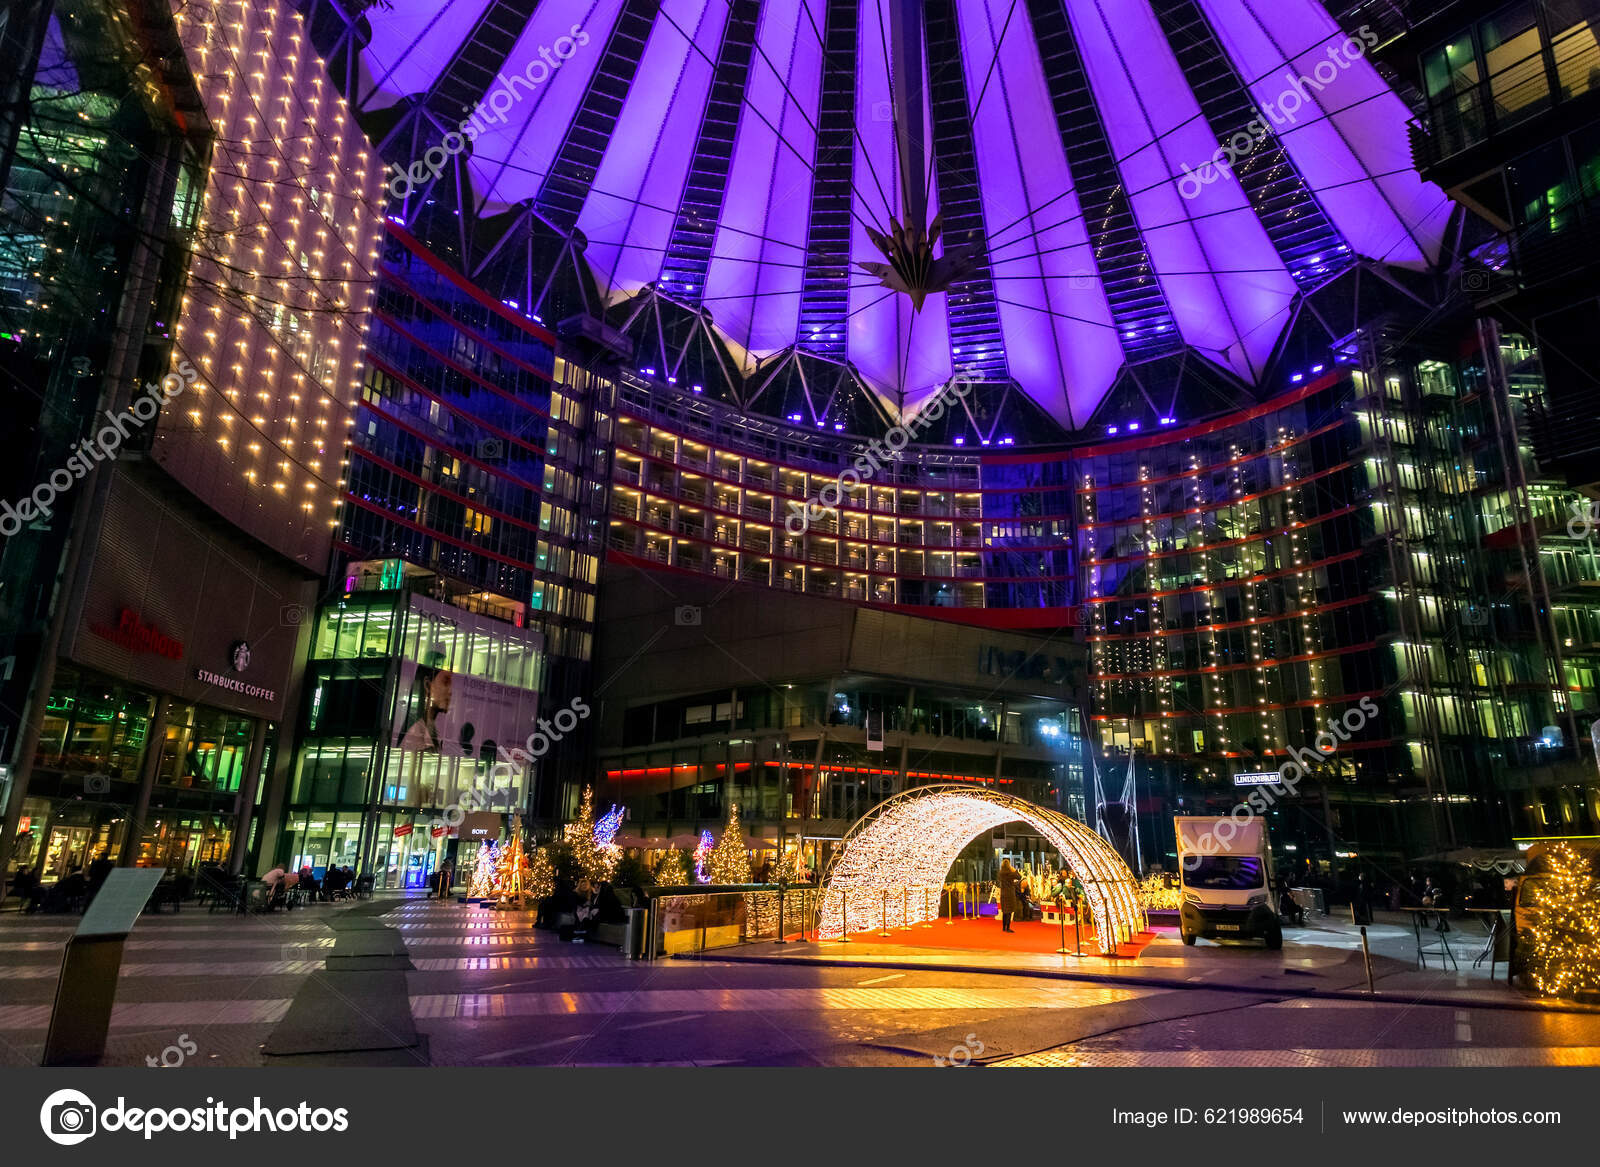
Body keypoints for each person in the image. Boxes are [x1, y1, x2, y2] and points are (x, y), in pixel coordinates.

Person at [397, 654, 453, 753]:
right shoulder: (415, 733)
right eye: (446, 682)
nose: (450, 691)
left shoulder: (436, 728)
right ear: (427, 685)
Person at [998, 859, 1019, 933]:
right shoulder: (1011, 873)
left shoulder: (1000, 873)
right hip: (1010, 893)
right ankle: (1008, 928)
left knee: (1004, 911)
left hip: (1003, 893)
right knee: (1009, 911)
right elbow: (1019, 877)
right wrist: (1014, 870)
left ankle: (1004, 927)